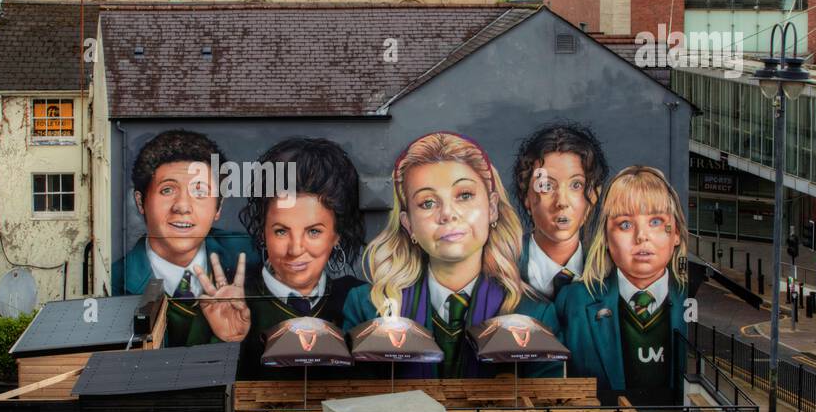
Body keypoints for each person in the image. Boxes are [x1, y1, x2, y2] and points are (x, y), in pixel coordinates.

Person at [342, 131, 559, 379]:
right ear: (408, 223)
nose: (447, 214)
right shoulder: (368, 307)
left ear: (492, 209)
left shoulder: (533, 313)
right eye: (427, 203)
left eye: (464, 195)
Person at [555, 165, 689, 405]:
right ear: (606, 237)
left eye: (656, 221)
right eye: (625, 224)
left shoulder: (689, 301)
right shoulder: (574, 301)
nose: (641, 236)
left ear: (676, 233)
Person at [235, 138, 367, 378]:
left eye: (313, 231)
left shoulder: (359, 300)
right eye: (281, 231)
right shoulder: (232, 299)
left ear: (336, 234)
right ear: (263, 231)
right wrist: (225, 338)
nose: (295, 249)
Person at [112, 129, 253, 347]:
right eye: (168, 190)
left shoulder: (254, 258)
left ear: (218, 207)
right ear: (141, 202)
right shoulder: (114, 282)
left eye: (199, 192)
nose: (182, 207)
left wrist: (230, 338)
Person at [511, 123, 609, 300]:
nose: (562, 202)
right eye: (546, 186)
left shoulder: (610, 273)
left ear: (594, 195)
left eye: (576, 185)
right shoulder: (501, 269)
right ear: (526, 195)